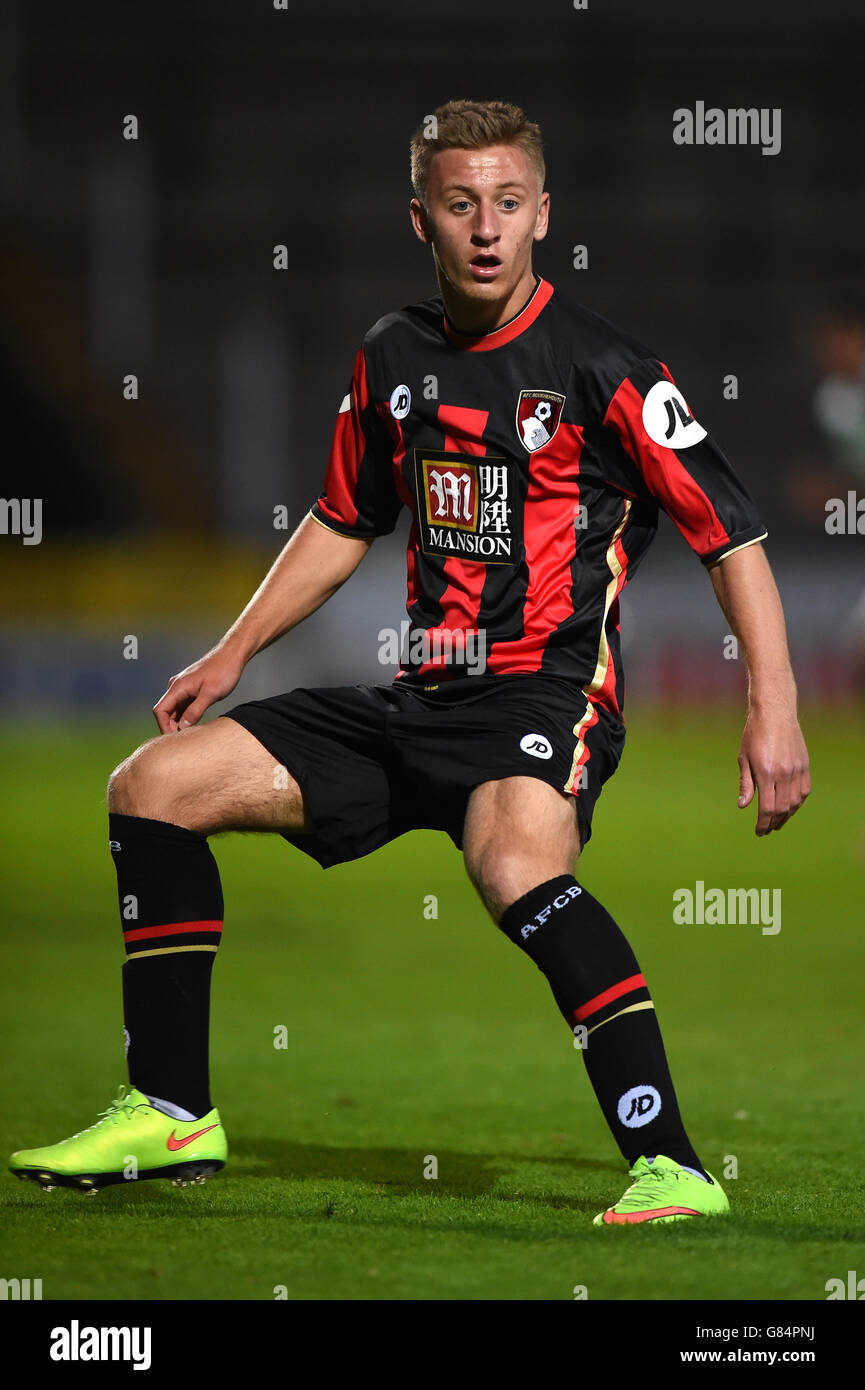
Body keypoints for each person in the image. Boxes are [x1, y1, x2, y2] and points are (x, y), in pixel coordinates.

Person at [10, 99, 810, 1225]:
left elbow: (732, 534)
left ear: (543, 214)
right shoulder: (393, 356)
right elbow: (344, 519)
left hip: (544, 693)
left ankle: (670, 1162)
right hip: (417, 697)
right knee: (151, 789)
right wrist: (232, 651)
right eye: (459, 204)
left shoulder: (606, 368)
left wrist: (770, 712)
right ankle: (171, 1111)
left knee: (513, 865)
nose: (485, 227)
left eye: (508, 204)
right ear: (420, 219)